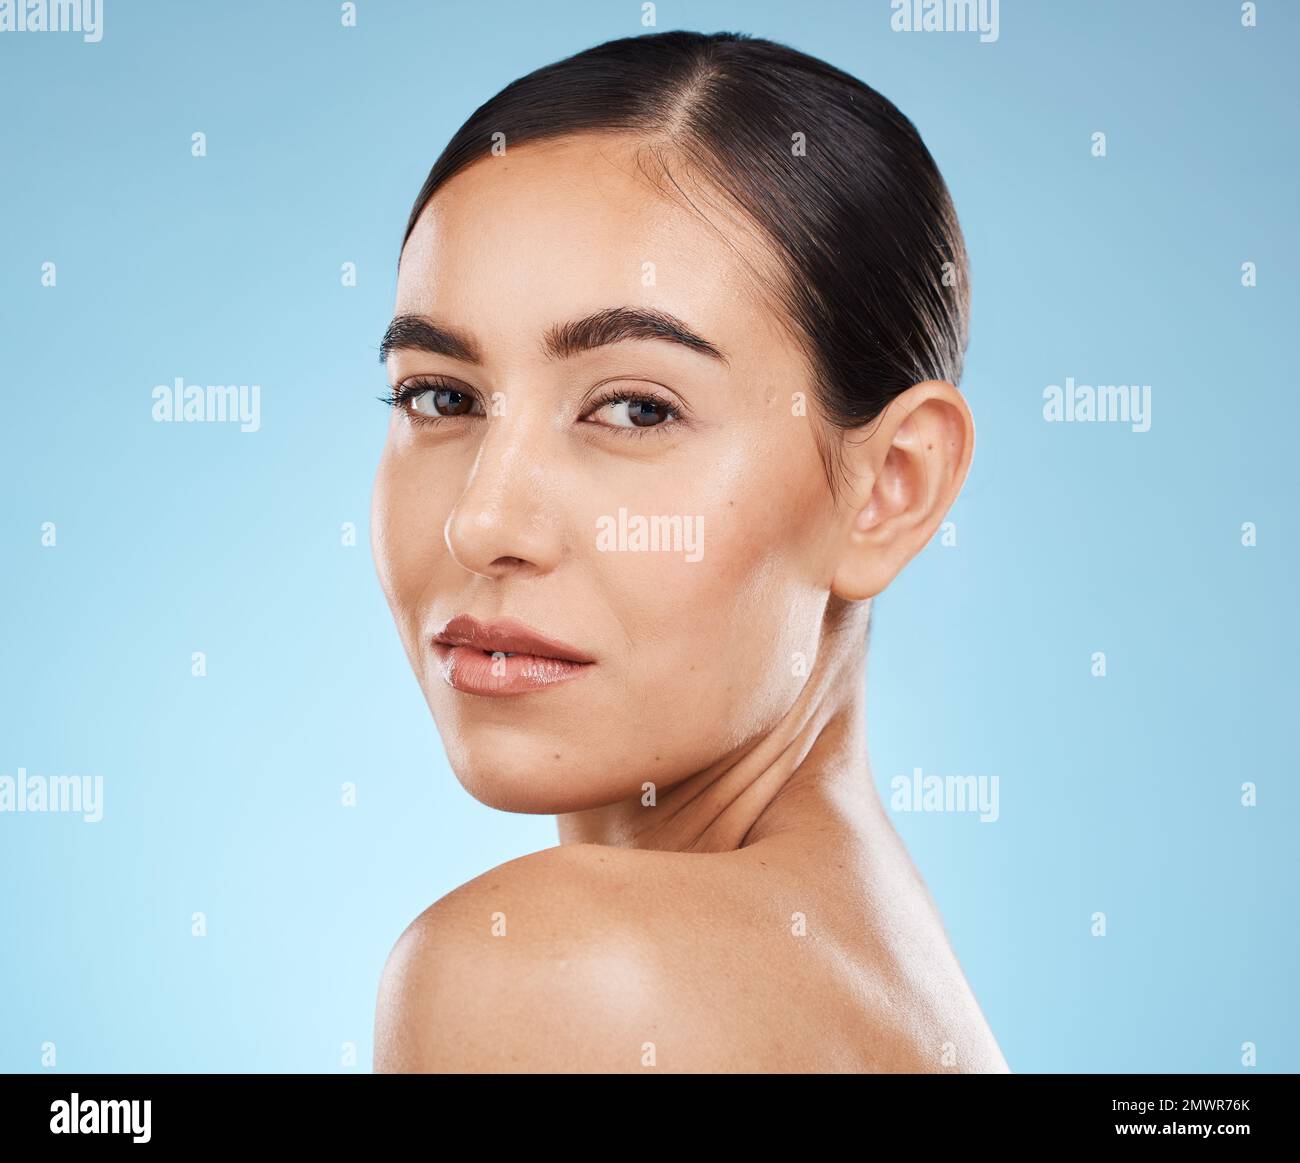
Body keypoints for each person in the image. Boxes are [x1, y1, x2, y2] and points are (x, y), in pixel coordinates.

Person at [369, 29, 1008, 1073]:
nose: (482, 521)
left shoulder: (551, 973)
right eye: (440, 396)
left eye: (633, 407)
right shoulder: (882, 964)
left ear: (890, 488)